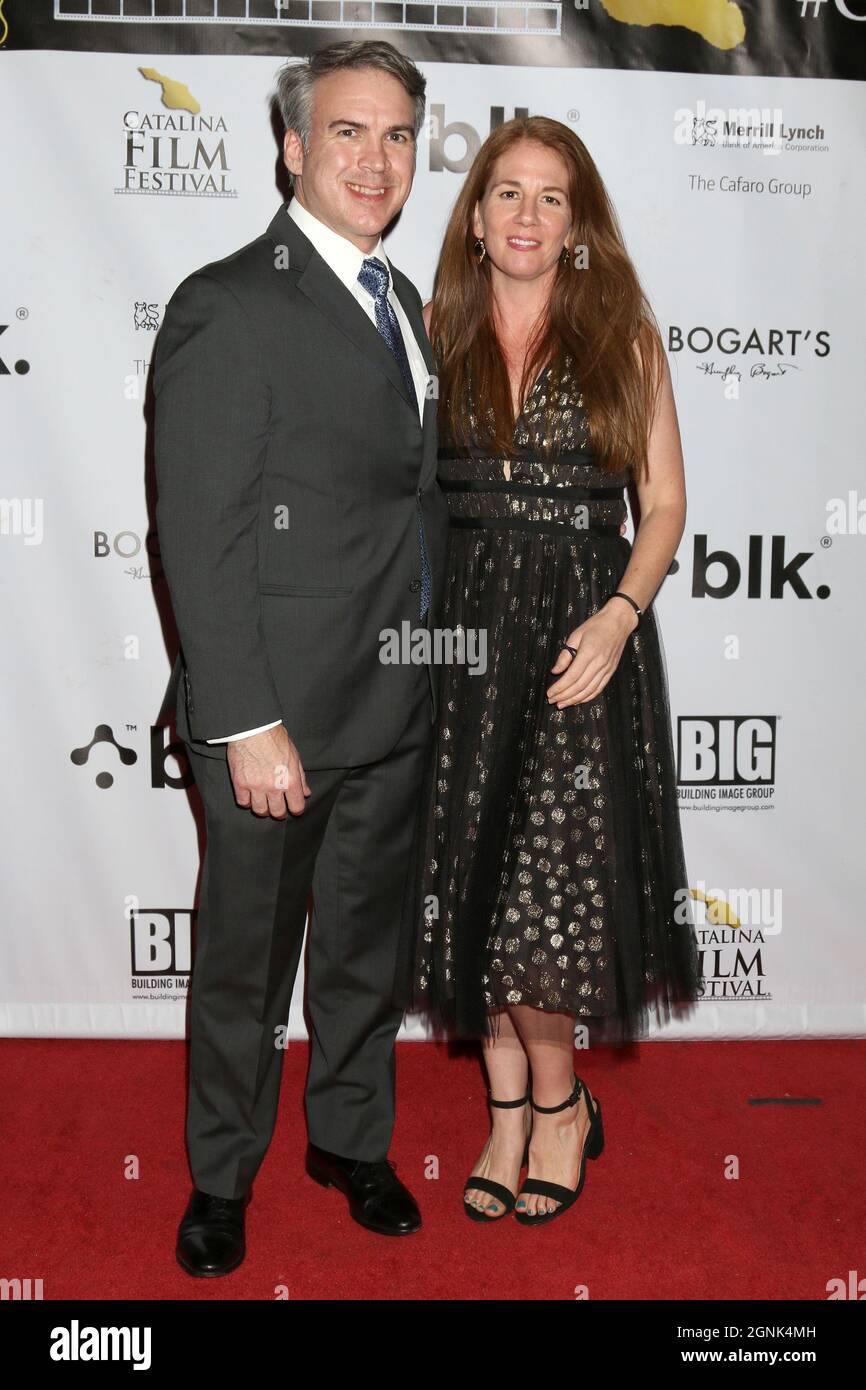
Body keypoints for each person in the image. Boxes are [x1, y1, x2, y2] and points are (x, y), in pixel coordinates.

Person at [153, 39, 449, 1275]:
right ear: (291, 145)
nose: (375, 159)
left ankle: (348, 1138)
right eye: (347, 132)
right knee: (243, 965)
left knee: (363, 951)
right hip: (271, 718)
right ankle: (221, 1178)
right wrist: (242, 717)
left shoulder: (402, 298)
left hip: (394, 695)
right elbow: (199, 531)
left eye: (395, 136)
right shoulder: (231, 301)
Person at [394, 116, 702, 1226]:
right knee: (474, 880)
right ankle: (508, 1105)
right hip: (466, 642)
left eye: (550, 197)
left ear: (578, 224)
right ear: (473, 214)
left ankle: (558, 1107)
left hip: (581, 639)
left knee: (545, 899)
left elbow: (661, 504)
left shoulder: (620, 331)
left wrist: (620, 615)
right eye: (506, 194)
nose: (526, 216)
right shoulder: (430, 331)